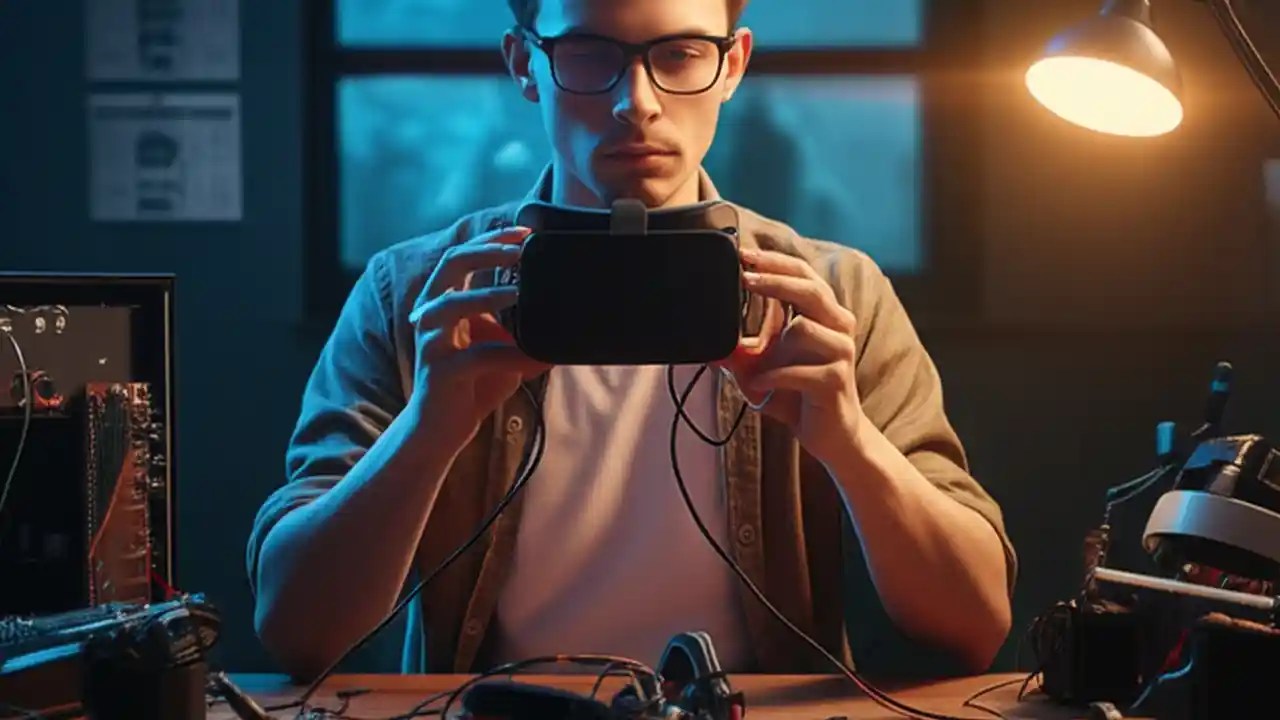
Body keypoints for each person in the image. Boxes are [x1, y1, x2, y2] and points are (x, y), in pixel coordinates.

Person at [247, 0, 1017, 682]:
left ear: (733, 64)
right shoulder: (418, 295)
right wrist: (429, 428)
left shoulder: (830, 297)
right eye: (589, 56)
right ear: (525, 63)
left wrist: (848, 440)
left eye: (680, 54)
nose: (635, 104)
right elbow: (297, 634)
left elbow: (973, 626)